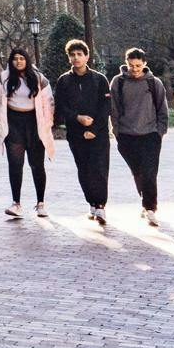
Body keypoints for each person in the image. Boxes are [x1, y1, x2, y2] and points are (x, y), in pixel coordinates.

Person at [0, 47, 55, 219]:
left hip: (34, 124)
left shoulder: (38, 77)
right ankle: (16, 203)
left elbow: (48, 101)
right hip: (14, 124)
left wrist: (48, 122)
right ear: (11, 61)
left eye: (22, 58)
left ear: (27, 60)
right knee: (15, 165)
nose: (18, 61)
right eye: (15, 58)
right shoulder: (3, 78)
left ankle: (41, 203)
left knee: (37, 165)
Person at [53, 40, 113, 226]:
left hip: (99, 133)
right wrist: (77, 118)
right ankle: (92, 203)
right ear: (69, 57)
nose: (76, 58)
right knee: (84, 169)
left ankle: (101, 205)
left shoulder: (99, 79)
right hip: (76, 133)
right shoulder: (64, 81)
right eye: (72, 55)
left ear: (87, 56)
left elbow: (106, 106)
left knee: (100, 168)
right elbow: (61, 107)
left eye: (80, 54)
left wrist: (94, 129)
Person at [110, 47, 169, 228]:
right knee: (138, 173)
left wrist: (160, 131)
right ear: (126, 63)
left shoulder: (153, 83)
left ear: (144, 64)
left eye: (138, 65)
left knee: (150, 173)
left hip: (150, 134)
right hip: (127, 135)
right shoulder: (118, 82)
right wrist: (117, 131)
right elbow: (114, 108)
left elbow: (162, 108)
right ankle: (146, 201)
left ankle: (151, 208)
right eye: (131, 65)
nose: (134, 69)